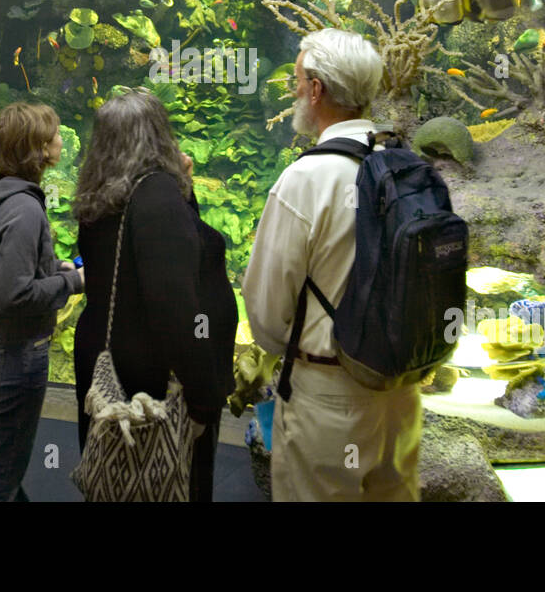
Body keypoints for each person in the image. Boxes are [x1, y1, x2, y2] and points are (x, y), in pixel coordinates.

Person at [244, 28, 422, 501]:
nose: (296, 89)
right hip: (402, 397)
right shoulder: (404, 163)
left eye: (299, 79)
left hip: (328, 396)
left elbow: (265, 312)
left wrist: (300, 354)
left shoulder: (307, 177)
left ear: (317, 88)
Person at [72, 89, 236, 502]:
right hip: (155, 384)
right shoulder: (158, 197)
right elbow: (177, 308)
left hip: (111, 369)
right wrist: (202, 398)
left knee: (119, 483)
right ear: (160, 136)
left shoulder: (101, 198)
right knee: (171, 483)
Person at [0, 102, 84, 502]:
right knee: (2, 465)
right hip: (16, 349)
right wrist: (74, 281)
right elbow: (17, 294)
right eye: (56, 133)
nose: (62, 139)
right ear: (40, 147)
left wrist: (50, 264)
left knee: (7, 453)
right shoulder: (24, 208)